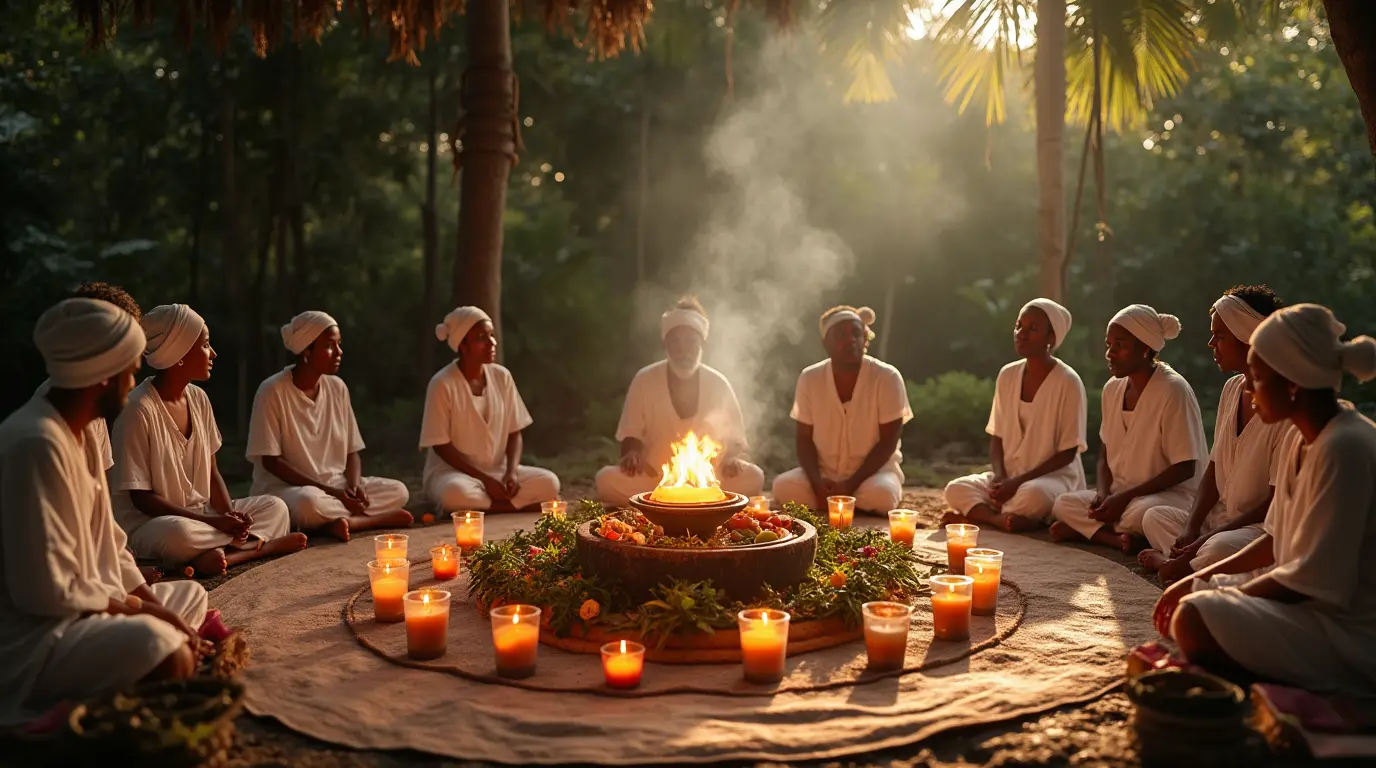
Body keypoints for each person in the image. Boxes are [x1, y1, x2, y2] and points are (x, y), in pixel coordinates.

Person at [1, 299, 208, 725]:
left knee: (188, 597)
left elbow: (111, 543)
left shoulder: (83, 428)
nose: (133, 386)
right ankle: (55, 719)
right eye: (130, 373)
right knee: (160, 647)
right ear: (103, 377)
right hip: (37, 640)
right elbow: (44, 594)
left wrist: (158, 607)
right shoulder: (35, 444)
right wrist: (141, 612)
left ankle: (140, 664)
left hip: (90, 609)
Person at [1154, 304, 1376, 694]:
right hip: (1306, 606)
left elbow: (1313, 582)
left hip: (1348, 629)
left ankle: (1308, 695)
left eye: (1257, 377)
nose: (1248, 388)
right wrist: (1196, 578)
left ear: (1292, 382)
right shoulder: (1300, 434)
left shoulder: (1347, 447)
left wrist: (1221, 597)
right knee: (1197, 597)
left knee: (1194, 617)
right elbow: (1274, 540)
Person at [111, 304, 305, 576]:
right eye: (205, 345)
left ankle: (227, 555)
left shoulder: (199, 399)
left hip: (204, 517)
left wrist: (231, 517)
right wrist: (212, 521)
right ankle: (262, 547)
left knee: (276, 507)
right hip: (154, 525)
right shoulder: (138, 410)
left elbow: (212, 473)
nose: (213, 353)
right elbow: (142, 499)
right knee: (179, 535)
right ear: (179, 354)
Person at [1138, 287, 1292, 583]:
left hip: (1257, 529)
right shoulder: (1232, 389)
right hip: (1219, 522)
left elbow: (1274, 502)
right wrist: (1192, 528)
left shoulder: (1282, 403)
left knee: (1219, 547)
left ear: (1247, 337)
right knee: (1155, 517)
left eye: (1220, 336)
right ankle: (1192, 563)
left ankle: (1180, 565)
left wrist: (1209, 537)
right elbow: (1212, 467)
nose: (1211, 344)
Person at [1050, 304, 1208, 553]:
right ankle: (1114, 538)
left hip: (1167, 497)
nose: (1110, 353)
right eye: (1108, 344)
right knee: (1063, 503)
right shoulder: (1112, 389)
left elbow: (1185, 467)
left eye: (1119, 345)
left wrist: (1124, 499)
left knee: (1144, 514)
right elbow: (1104, 455)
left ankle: (1094, 532)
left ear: (1146, 349)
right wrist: (1103, 494)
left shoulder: (1173, 389)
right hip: (1119, 496)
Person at [246, 312, 413, 541]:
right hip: (290, 490)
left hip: (337, 487)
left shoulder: (337, 388)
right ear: (307, 351)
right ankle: (368, 521)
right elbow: (271, 461)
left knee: (399, 491)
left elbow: (352, 451)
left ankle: (333, 523)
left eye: (338, 344)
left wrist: (354, 487)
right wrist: (333, 492)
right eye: (329, 345)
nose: (338, 352)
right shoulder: (272, 391)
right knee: (308, 504)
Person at [595, 297, 764, 505]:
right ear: (665, 343)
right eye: (675, 341)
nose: (683, 350)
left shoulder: (718, 383)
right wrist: (632, 454)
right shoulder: (645, 379)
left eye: (691, 341)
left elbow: (735, 440)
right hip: (656, 481)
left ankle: (669, 504)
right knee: (605, 479)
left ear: (701, 343)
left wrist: (730, 459)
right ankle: (690, 504)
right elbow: (631, 435)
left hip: (708, 483)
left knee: (754, 477)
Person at [943, 298, 1087, 532]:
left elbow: (1068, 452)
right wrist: (1000, 478)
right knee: (956, 489)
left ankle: (980, 517)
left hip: (1051, 480)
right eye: (1019, 326)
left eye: (1033, 329)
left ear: (1051, 339)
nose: (1021, 333)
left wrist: (1016, 483)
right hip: (1009, 478)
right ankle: (1002, 520)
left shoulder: (1068, 382)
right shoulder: (1007, 375)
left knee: (1033, 495)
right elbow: (997, 436)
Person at [772, 305, 913, 513]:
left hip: (872, 476)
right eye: (840, 335)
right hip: (824, 476)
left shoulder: (887, 377)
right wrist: (816, 483)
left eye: (856, 333)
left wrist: (851, 484)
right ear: (825, 344)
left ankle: (837, 501)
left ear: (865, 339)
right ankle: (838, 501)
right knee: (783, 487)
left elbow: (888, 442)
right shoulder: (809, 378)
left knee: (881, 495)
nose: (850, 340)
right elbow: (804, 439)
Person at [420, 306, 560, 512]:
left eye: (492, 335)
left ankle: (488, 507)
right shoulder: (442, 383)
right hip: (452, 474)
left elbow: (515, 432)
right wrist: (484, 480)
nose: (492, 343)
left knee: (550, 483)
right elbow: (440, 446)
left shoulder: (502, 377)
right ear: (463, 345)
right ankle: (508, 506)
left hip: (498, 471)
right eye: (481, 338)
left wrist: (511, 473)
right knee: (455, 494)